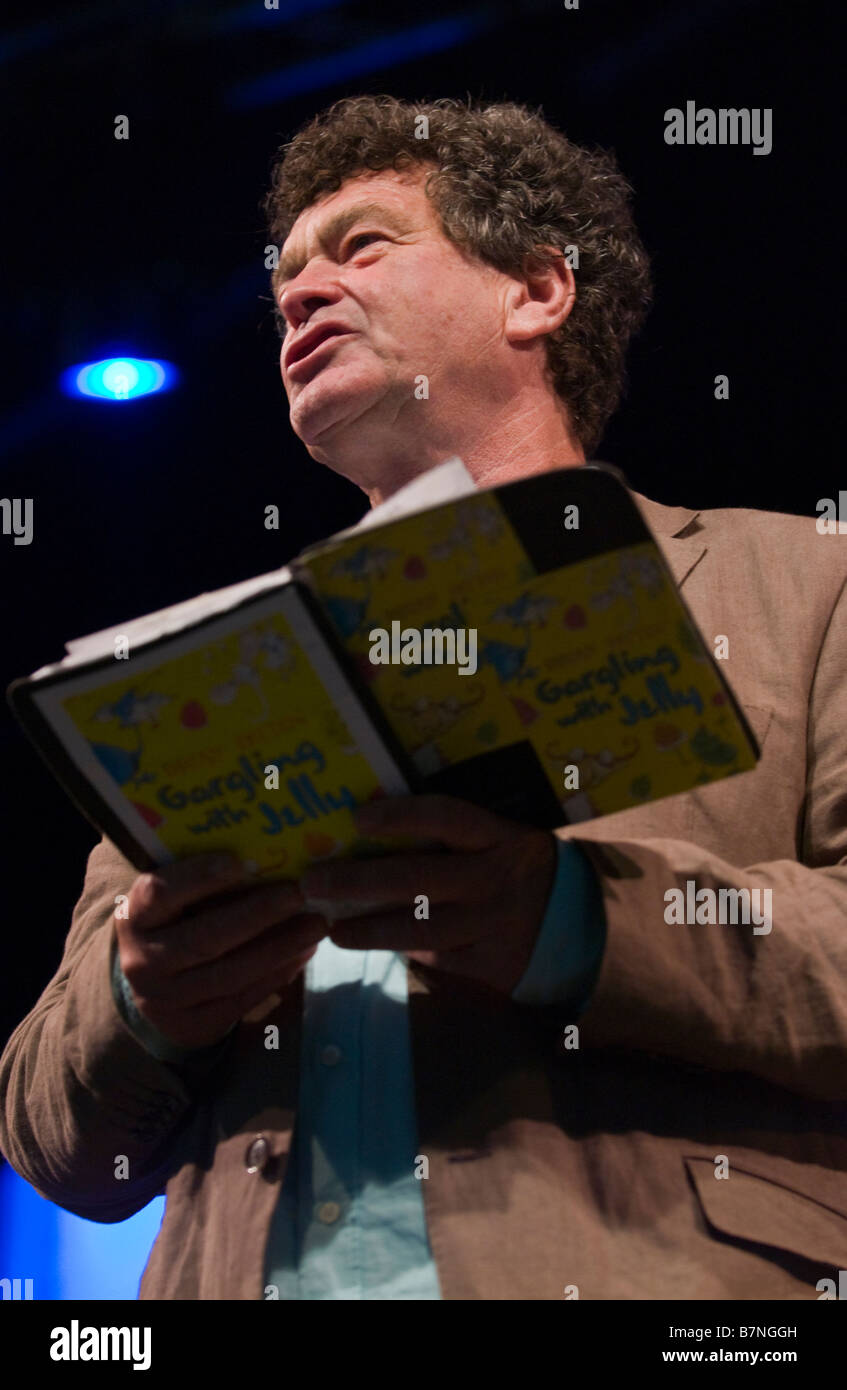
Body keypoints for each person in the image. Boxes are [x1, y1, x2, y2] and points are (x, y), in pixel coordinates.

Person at [1, 95, 845, 1301]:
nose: (296, 292)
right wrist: (142, 1000)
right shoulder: (220, 682)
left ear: (537, 290)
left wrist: (570, 924)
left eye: (361, 245)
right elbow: (50, 1137)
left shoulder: (808, 588)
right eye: (284, 272)